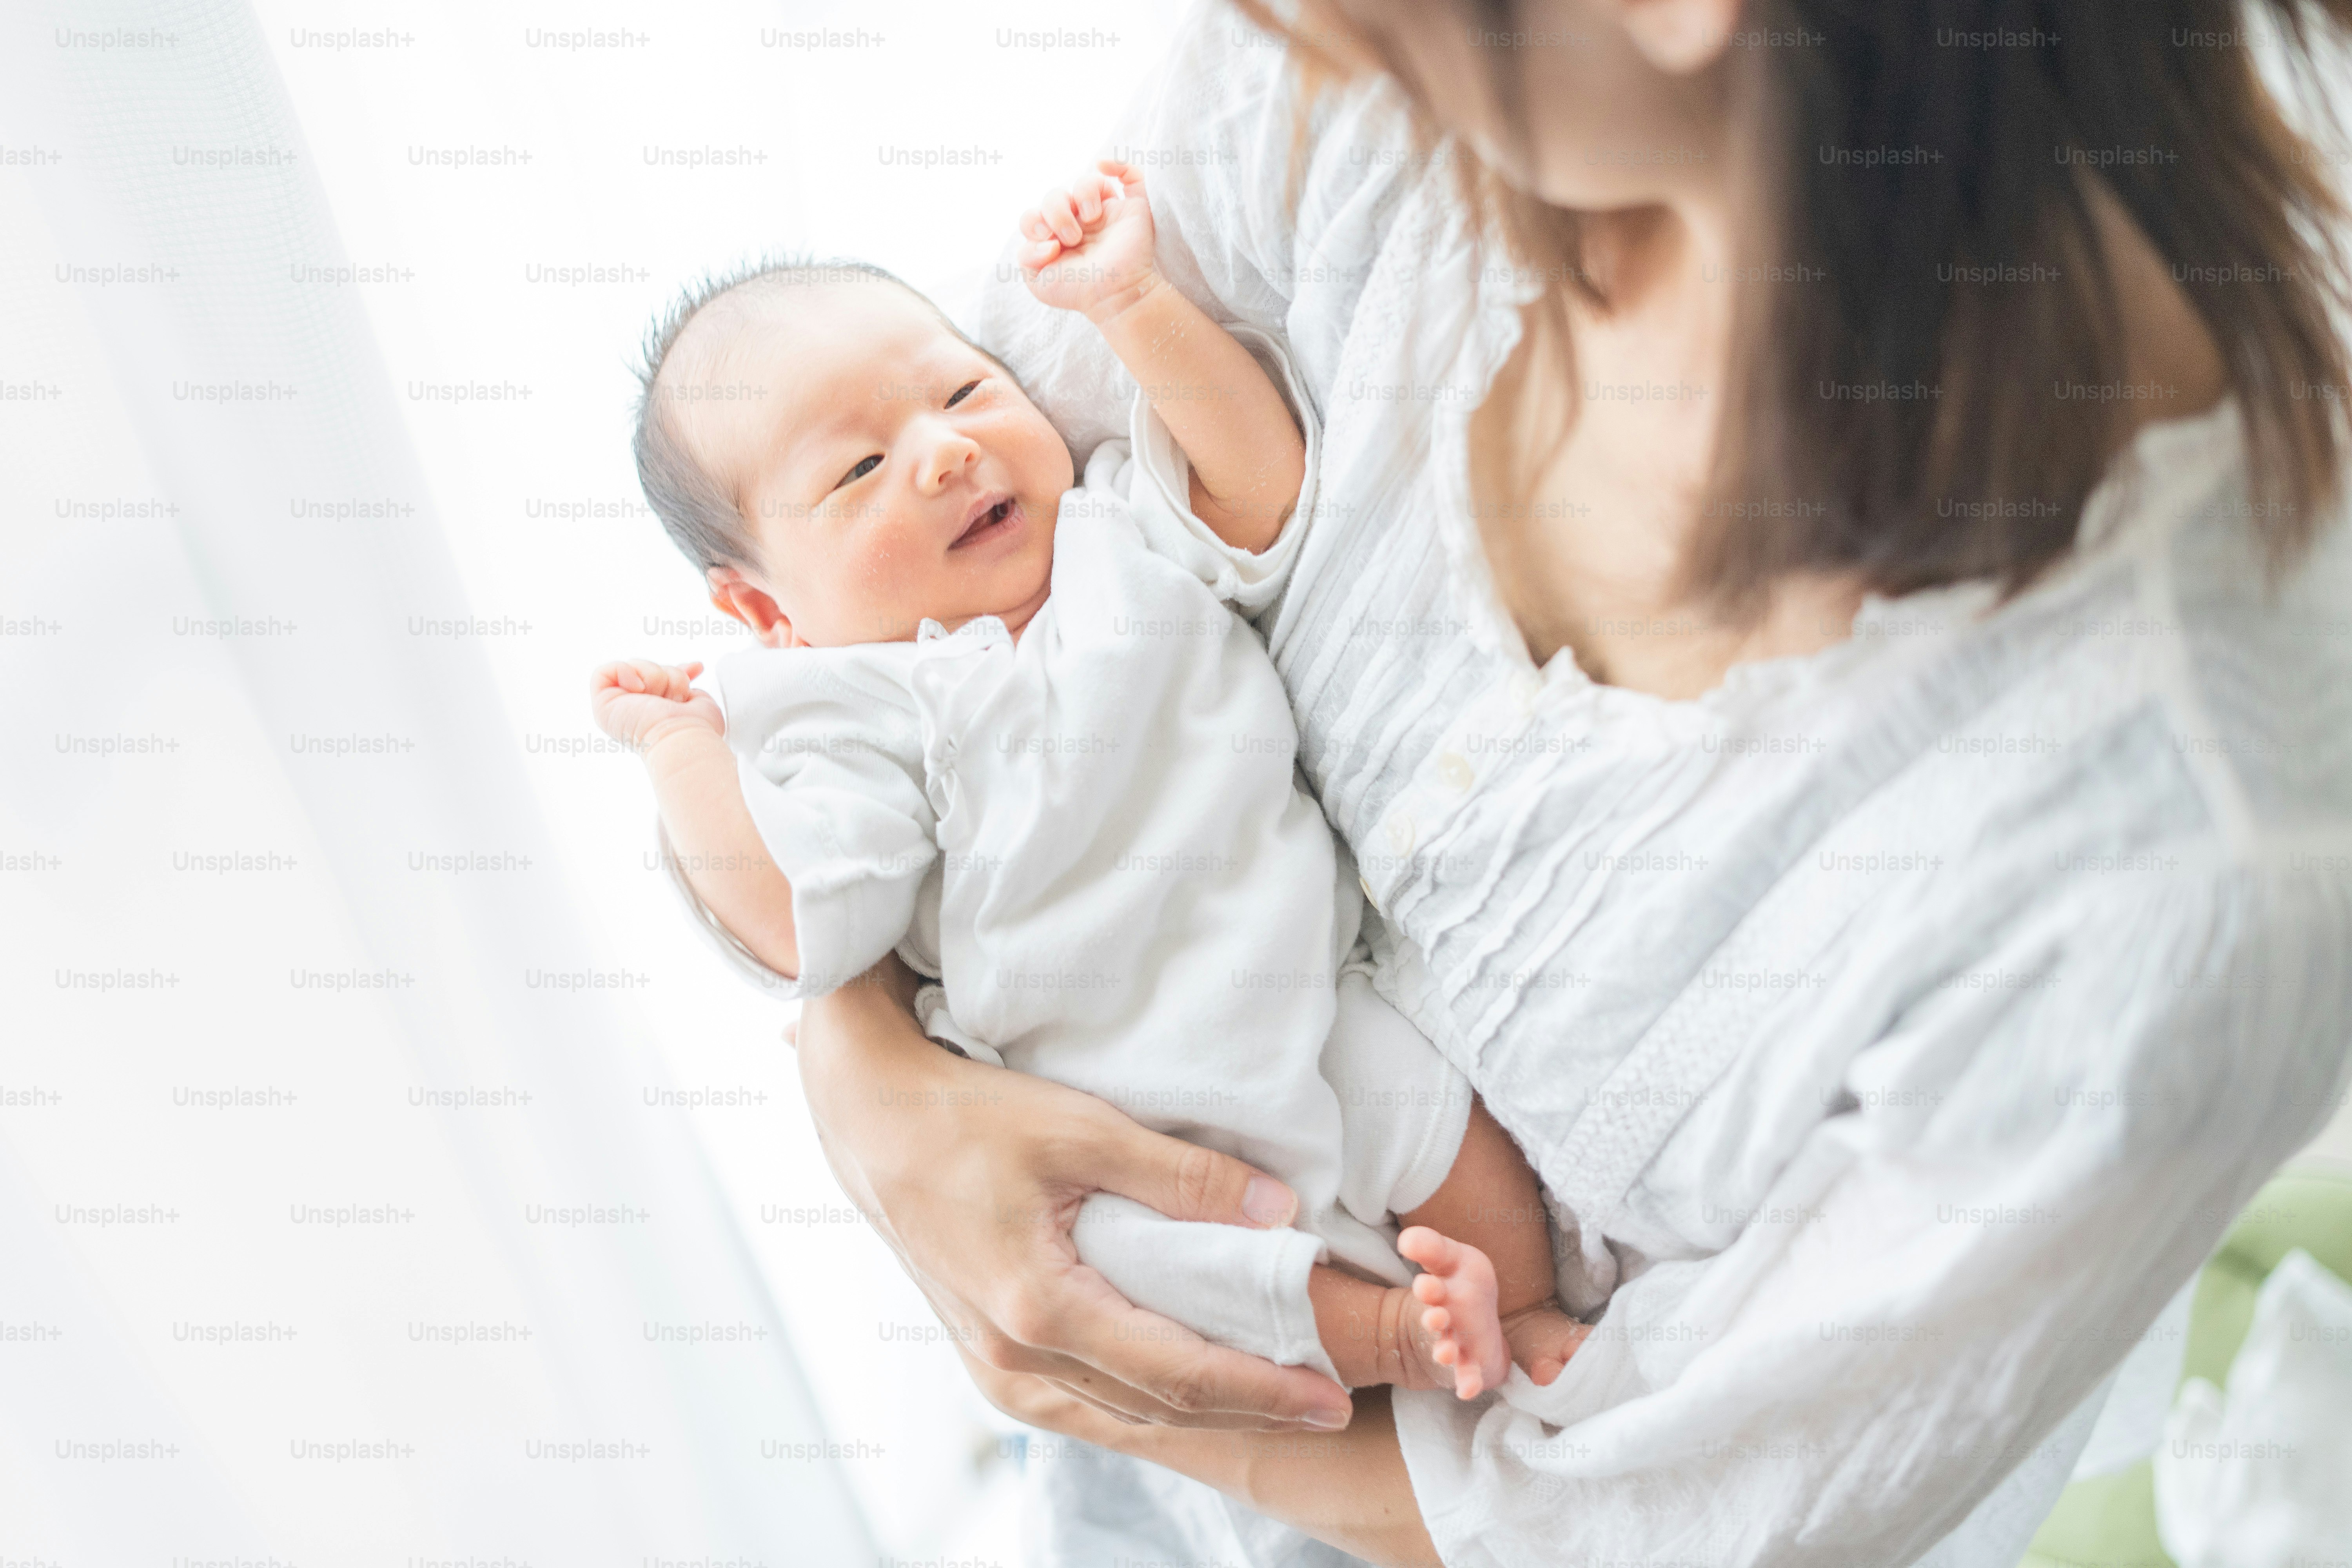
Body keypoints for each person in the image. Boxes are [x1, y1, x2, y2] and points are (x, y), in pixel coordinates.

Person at [795, 1, 2352, 1563]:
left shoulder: (2174, 889)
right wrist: (863, 1066)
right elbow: (863, 559)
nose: (1301, 35)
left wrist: (1067, 1350)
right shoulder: (1385, 90)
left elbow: (1603, 1524)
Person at [593, 164, 1588, 1406]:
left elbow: (1261, 486)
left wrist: (1131, 304)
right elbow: (796, 916)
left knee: (1443, 1130)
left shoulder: (1113, 536)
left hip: (1314, 1004)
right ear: (762, 611)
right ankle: (1398, 1342)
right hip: (1113, 1124)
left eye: (962, 390)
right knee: (1136, 1271)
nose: (946, 451)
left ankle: (1528, 1304)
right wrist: (678, 747)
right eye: (856, 473)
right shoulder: (848, 711)